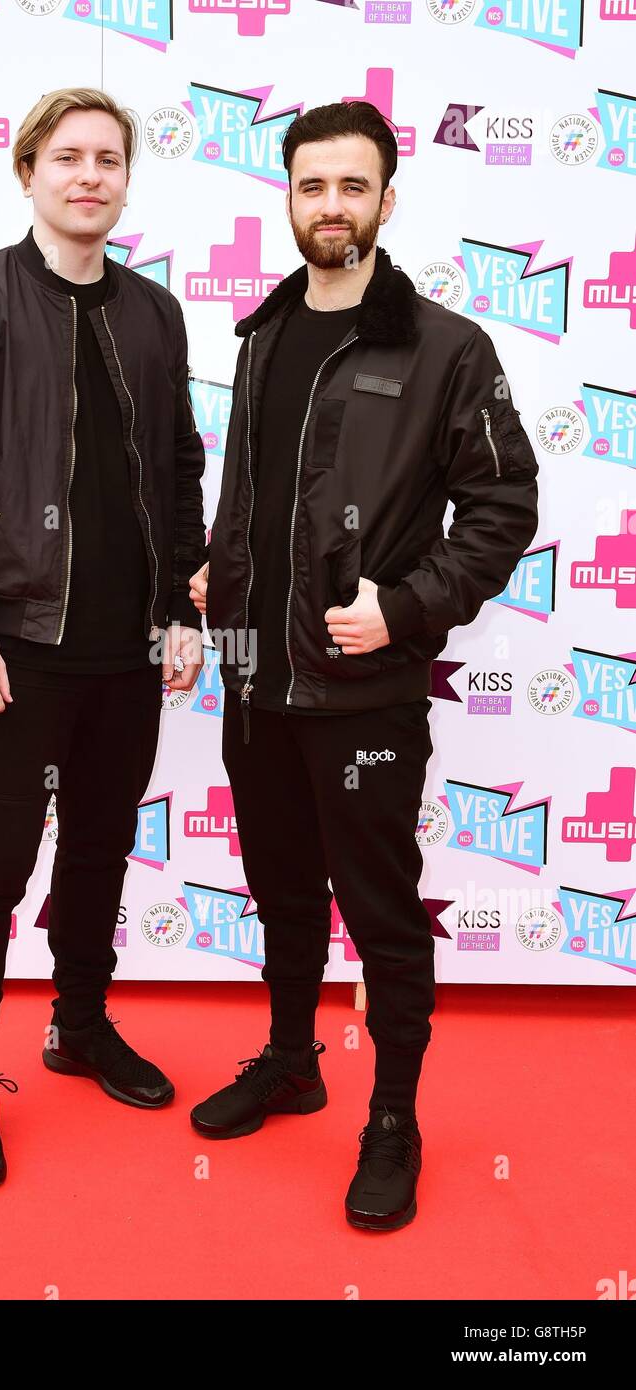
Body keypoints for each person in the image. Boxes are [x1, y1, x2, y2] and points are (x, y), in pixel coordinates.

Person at [187, 100, 539, 1232]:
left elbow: (501, 505)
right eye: (311, 185)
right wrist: (222, 576)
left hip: (361, 691)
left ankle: (393, 1119)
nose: (330, 205)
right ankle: (293, 1061)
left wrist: (405, 607)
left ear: (387, 200)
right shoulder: (262, 335)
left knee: (380, 912)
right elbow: (257, 498)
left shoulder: (445, 347)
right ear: (287, 197)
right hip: (257, 684)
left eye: (352, 186)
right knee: (281, 890)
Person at [0, 87, 206, 1189]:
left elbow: (177, 468)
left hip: (125, 651)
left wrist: (181, 608)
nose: (89, 176)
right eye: (67, 157)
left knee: (99, 850)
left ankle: (79, 1024)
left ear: (126, 180)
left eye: (108, 159)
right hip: (12, 648)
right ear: (28, 171)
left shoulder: (155, 312)